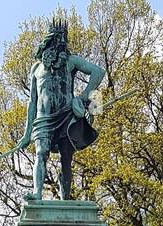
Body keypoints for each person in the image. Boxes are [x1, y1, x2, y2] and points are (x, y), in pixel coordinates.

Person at [16, 18, 106, 200]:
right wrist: (26, 134)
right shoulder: (36, 68)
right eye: (57, 38)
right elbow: (32, 102)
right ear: (48, 40)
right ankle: (37, 194)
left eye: (63, 38)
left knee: (66, 158)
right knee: (41, 153)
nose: (60, 42)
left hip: (67, 115)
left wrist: (82, 97)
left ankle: (66, 200)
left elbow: (98, 72)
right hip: (43, 119)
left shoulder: (71, 61)